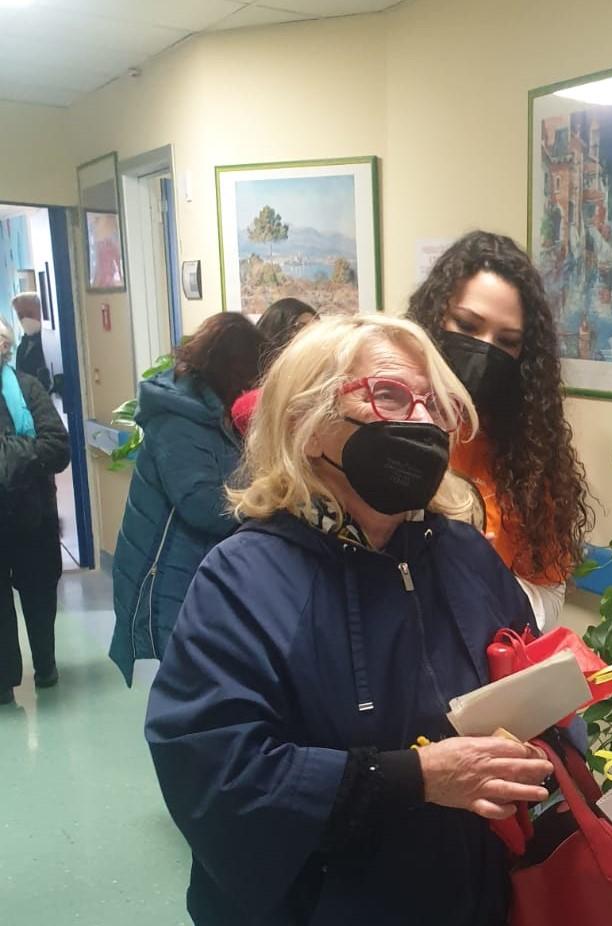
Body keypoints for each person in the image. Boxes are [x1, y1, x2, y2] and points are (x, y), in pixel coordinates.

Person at [144, 314, 555, 925]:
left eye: (433, 403)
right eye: (389, 395)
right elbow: (219, 775)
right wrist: (415, 778)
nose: (421, 421)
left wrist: (545, 745)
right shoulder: (243, 580)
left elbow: (535, 684)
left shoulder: (465, 555)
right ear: (307, 425)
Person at [408, 231, 592, 629]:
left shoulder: (528, 451)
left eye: (507, 341)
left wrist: (484, 588)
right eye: (467, 324)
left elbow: (548, 592)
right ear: (435, 316)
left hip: (486, 652)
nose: (485, 348)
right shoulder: (387, 427)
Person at [109, 312, 264, 685]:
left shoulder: (215, 411)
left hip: (199, 567)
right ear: (231, 370)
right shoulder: (178, 417)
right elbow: (202, 504)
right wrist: (267, 499)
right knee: (189, 680)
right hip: (172, 572)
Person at [0, 318, 69, 704]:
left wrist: (11, 453)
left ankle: (45, 665)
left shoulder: (27, 388)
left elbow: (57, 447)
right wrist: (24, 451)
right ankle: (3, 680)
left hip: (32, 515)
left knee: (40, 595)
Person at [230, 298, 317, 434]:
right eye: (300, 327)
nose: (311, 334)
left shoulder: (319, 374)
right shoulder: (249, 376)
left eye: (316, 327)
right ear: (278, 328)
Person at [11, 292, 52, 393]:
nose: (25, 320)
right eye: (20, 316)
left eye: (29, 314)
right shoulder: (22, 348)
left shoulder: (50, 342)